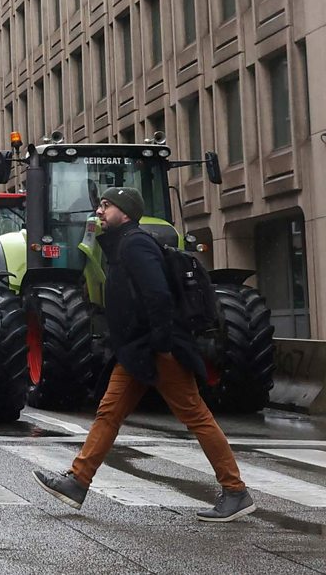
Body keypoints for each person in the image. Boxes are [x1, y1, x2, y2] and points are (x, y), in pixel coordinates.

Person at [32, 187, 255, 523]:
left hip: (156, 349)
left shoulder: (135, 243)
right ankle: (77, 482)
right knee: (108, 414)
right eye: (100, 205)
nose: (99, 211)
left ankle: (235, 491)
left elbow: (158, 295)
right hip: (136, 351)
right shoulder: (122, 244)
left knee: (195, 415)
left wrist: (162, 345)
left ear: (125, 211)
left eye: (106, 206)